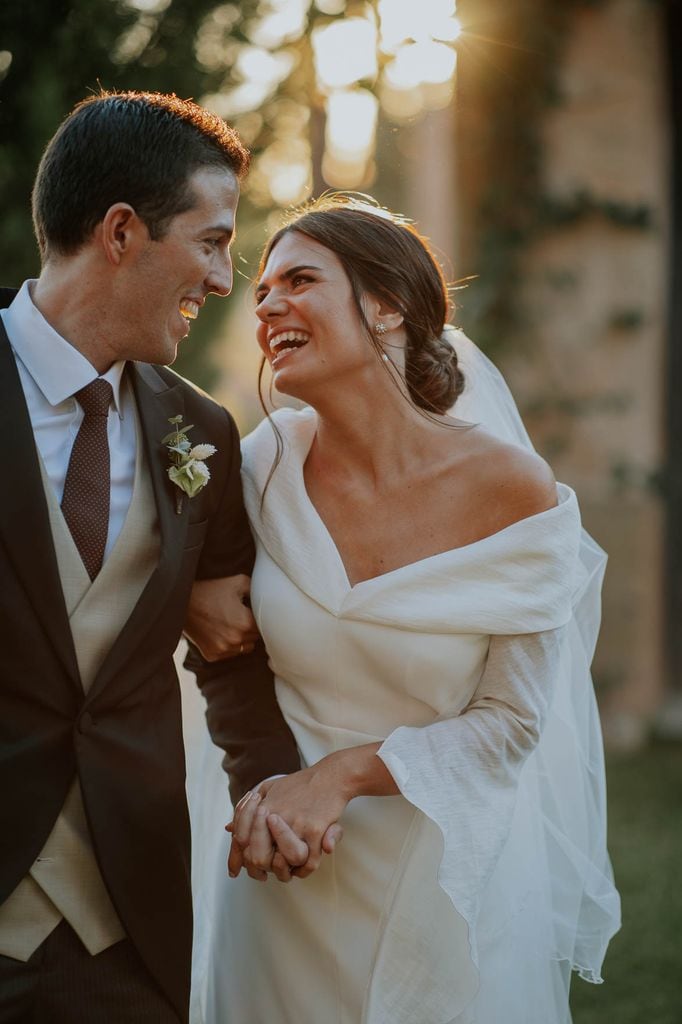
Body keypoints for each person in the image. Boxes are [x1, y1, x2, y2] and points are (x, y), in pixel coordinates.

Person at [187, 195, 621, 1024]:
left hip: (440, 873)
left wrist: (339, 777)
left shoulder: (512, 489)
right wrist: (192, 591)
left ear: (386, 305)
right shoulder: (259, 469)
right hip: (280, 872)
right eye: (262, 291)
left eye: (299, 281)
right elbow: (220, 647)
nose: (267, 304)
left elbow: (511, 722)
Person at [0, 90, 303, 1024]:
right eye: (212, 243)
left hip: (124, 922)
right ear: (123, 232)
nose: (223, 280)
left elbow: (230, 649)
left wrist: (270, 787)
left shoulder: (201, 431)